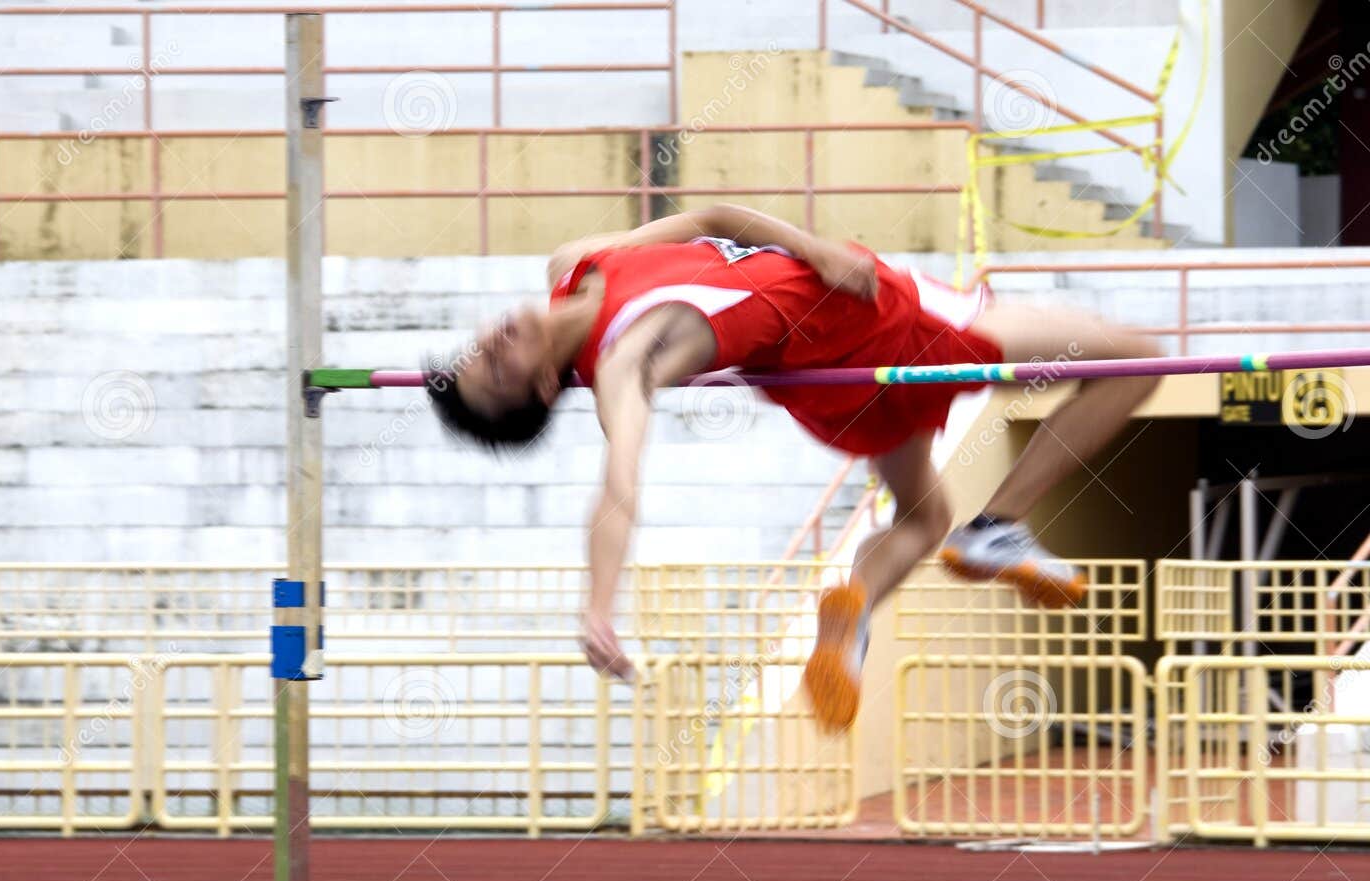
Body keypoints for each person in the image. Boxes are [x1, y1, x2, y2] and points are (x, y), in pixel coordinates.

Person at [426, 203, 1160, 731]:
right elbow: (619, 488)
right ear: (547, 388)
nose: (489, 341)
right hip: (889, 329)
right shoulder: (627, 359)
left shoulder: (574, 263)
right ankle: (997, 526)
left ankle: (852, 615)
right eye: (497, 366)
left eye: (477, 345)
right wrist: (598, 605)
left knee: (923, 515)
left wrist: (810, 246)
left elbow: (707, 215)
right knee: (1135, 359)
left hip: (835, 386)